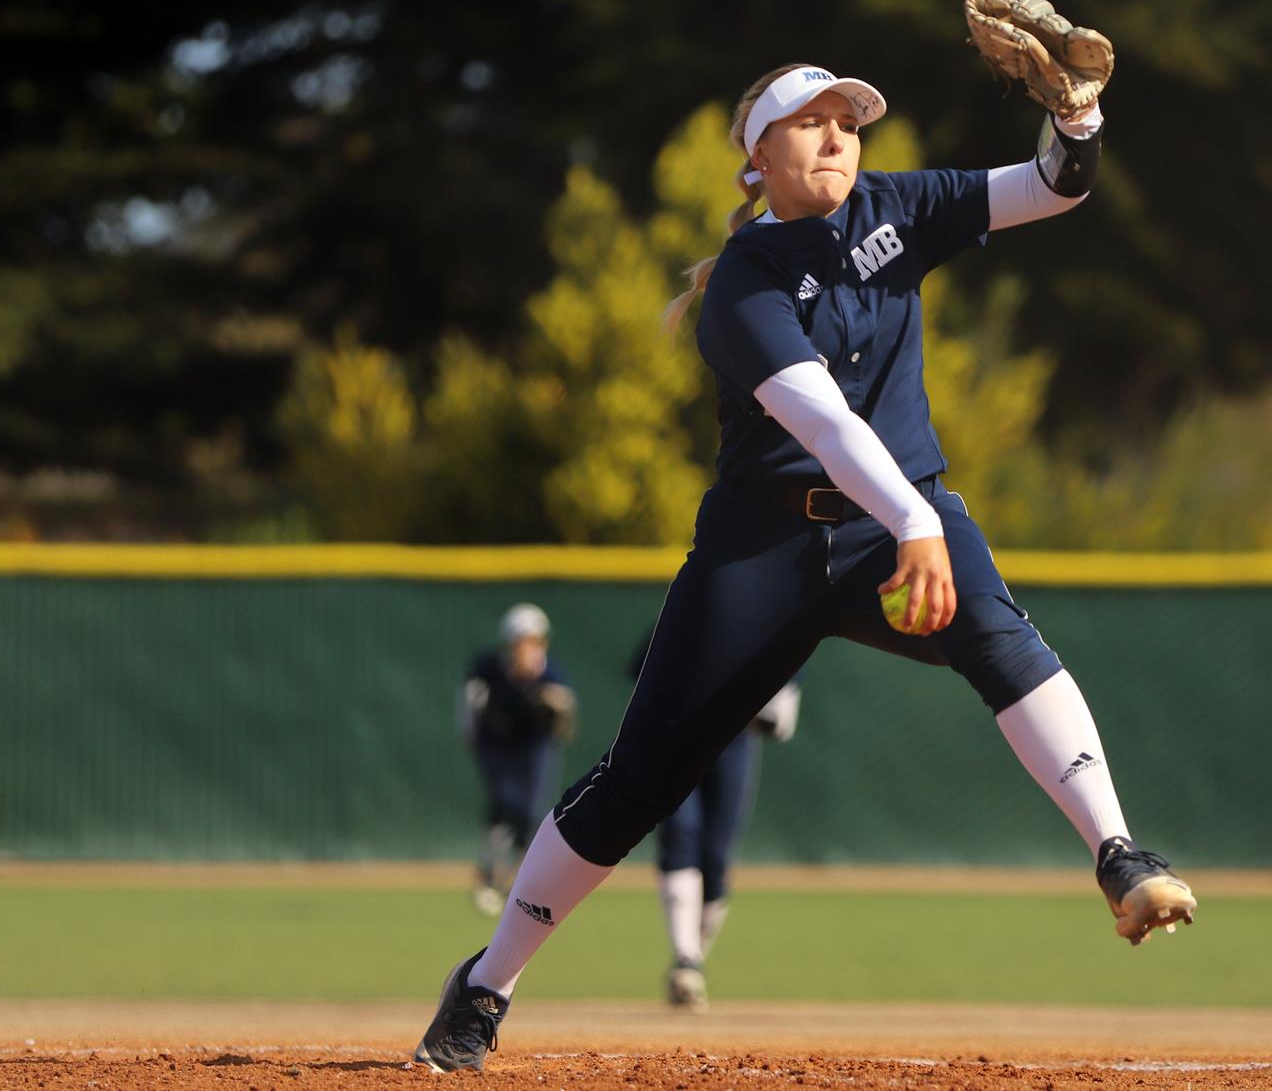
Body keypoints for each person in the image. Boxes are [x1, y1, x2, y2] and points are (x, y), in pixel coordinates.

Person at [416, 60, 1196, 1073]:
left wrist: (1078, 120)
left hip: (900, 520)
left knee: (1004, 643)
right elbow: (824, 424)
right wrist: (914, 523)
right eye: (809, 122)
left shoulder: (898, 207)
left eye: (848, 122)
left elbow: (1053, 186)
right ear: (758, 157)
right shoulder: (743, 285)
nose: (836, 136)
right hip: (765, 544)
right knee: (638, 780)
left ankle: (1118, 854)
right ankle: (485, 986)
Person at [626, 626, 801, 1011]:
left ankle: (693, 962)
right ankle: (686, 959)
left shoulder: (775, 627)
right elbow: (642, 672)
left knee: (717, 858)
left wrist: (773, 705)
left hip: (734, 742)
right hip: (675, 738)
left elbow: (782, 718)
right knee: (680, 835)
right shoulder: (693, 610)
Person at [456, 603, 577, 915]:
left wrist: (555, 703)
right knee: (503, 803)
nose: (528, 647)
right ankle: (490, 871)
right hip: (499, 745)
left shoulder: (550, 673)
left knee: (532, 814)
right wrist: (471, 736)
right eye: (522, 641)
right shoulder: (490, 669)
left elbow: (564, 720)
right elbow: (470, 704)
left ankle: (519, 881)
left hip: (535, 747)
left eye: (534, 640)